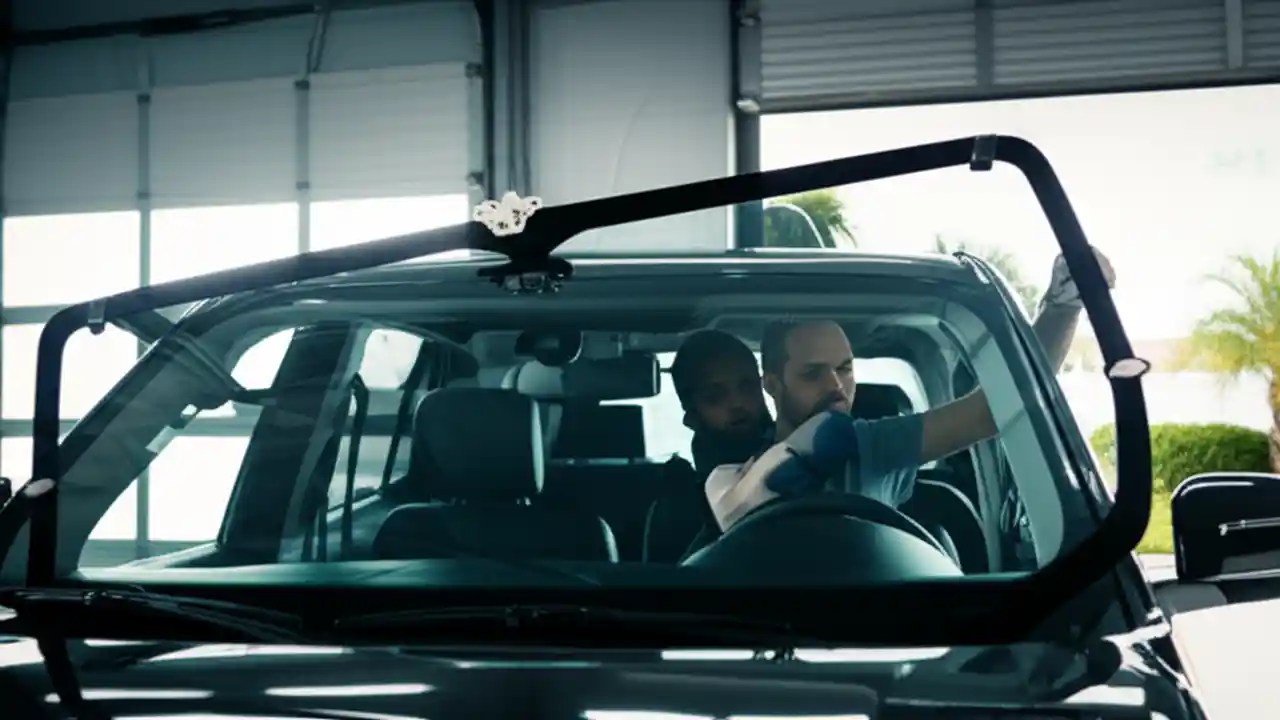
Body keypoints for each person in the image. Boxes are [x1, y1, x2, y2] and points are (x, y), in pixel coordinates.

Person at [704, 248, 1116, 531]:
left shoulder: (874, 444)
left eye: (845, 369)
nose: (836, 386)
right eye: (813, 374)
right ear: (772, 385)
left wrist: (1064, 304)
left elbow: (990, 410)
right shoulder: (735, 474)